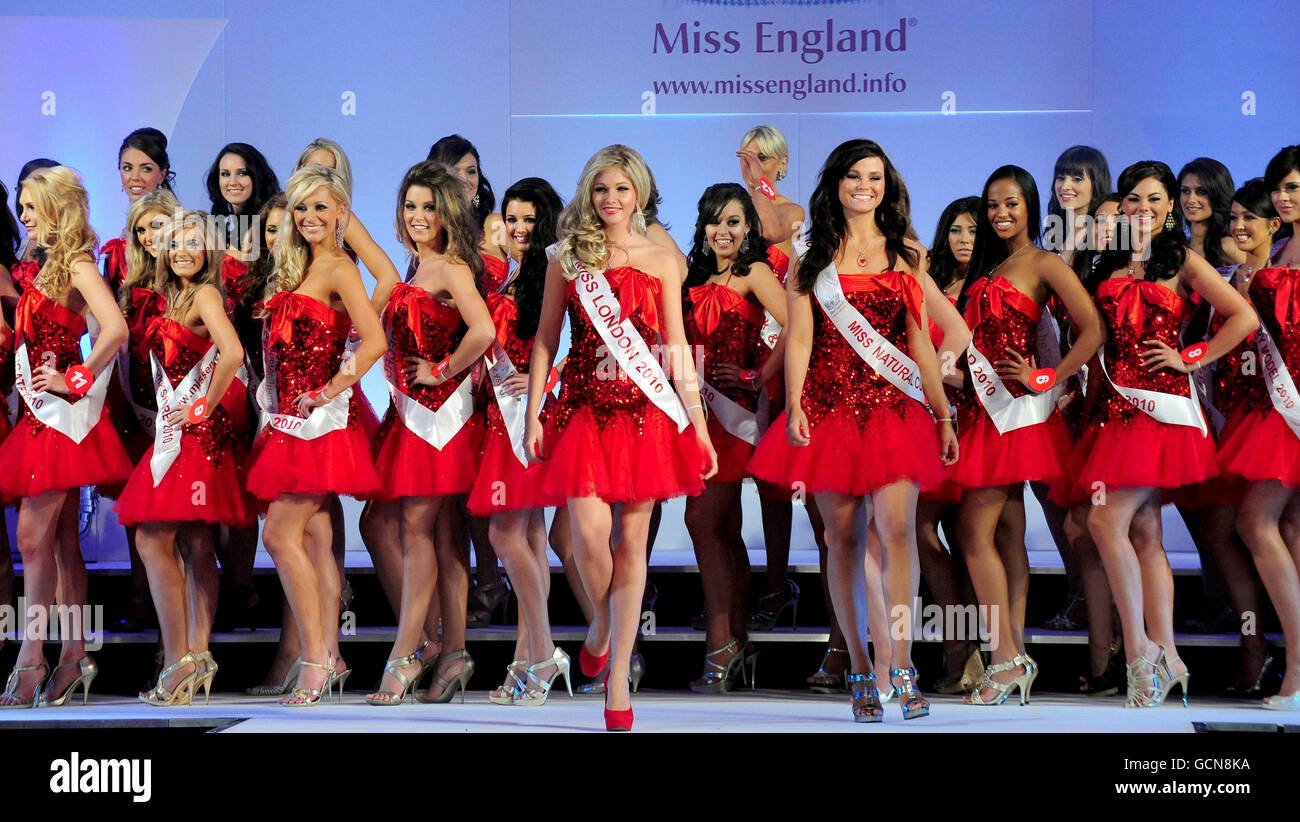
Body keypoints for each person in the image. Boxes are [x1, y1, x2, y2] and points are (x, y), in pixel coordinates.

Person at [748, 139, 958, 722]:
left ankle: (905, 665)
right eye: (852, 175)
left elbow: (920, 342)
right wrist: (792, 402)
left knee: (897, 533)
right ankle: (861, 666)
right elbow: (800, 337)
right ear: (835, 183)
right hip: (829, 409)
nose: (863, 185)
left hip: (895, 410)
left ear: (886, 185)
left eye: (874, 176)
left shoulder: (909, 255)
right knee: (840, 540)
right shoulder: (809, 254)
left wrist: (942, 414)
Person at [525, 144, 716, 731]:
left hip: (646, 416)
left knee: (634, 544)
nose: (610, 200)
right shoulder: (566, 258)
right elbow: (545, 340)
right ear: (589, 194)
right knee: (587, 538)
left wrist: (700, 426)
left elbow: (677, 350)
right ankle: (605, 627)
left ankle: (616, 681)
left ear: (641, 196)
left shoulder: (662, 260)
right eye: (601, 190)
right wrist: (534, 410)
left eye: (622, 191)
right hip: (583, 410)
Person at [1081, 160, 1256, 708]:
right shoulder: (1105, 264)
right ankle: (1172, 655)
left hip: (1160, 412)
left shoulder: (1179, 259)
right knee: (1146, 535)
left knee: (1103, 520)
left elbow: (1242, 318)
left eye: (1156, 200)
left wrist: (1190, 357)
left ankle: (1139, 654)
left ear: (1169, 208)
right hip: (1115, 410)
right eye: (1134, 200)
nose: (1144, 209)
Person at [954, 166, 1103, 705]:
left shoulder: (1042, 262)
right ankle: (1011, 655)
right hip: (980, 412)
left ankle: (1006, 658)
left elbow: (1093, 329)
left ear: (1031, 206)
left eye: (1011, 204)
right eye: (992, 205)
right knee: (1005, 530)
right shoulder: (990, 266)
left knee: (974, 532)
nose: (1000, 214)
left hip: (1015, 416)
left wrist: (1049, 375)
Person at [245, 165, 385, 706]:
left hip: (318, 424)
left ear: (341, 214)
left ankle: (315, 657)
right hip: (286, 421)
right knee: (314, 541)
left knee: (281, 535)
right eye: (302, 208)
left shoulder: (338, 267)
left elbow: (370, 342)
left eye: (321, 208)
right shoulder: (296, 266)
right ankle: (330, 655)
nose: (308, 218)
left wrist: (331, 389)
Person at [0, 167, 131, 708]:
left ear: (56, 208)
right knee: (58, 541)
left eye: (31, 207)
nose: (24, 217)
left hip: (62, 417)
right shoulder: (39, 265)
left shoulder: (77, 262)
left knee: (33, 538)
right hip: (38, 415)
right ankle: (74, 656)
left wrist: (75, 379)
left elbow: (116, 328)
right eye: (23, 207)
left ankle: (32, 658)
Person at [364, 161, 494, 704]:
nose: (419, 216)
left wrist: (441, 371)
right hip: (413, 418)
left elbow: (483, 330)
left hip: (441, 421)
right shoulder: (417, 268)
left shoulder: (449, 268)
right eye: (411, 206)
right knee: (441, 537)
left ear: (449, 213)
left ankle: (406, 655)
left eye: (429, 207)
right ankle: (452, 653)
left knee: (416, 531)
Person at [113, 211, 255, 705]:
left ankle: (178, 660)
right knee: (194, 542)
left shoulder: (205, 294)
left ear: (210, 250)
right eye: (174, 242)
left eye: (194, 242)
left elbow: (232, 353)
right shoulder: (170, 298)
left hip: (196, 437)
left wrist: (204, 404)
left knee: (154, 539)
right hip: (182, 433)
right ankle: (195, 654)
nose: (182, 251)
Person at [466, 177, 574, 705]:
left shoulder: (557, 271)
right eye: (512, 218)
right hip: (499, 419)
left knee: (506, 537)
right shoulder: (508, 278)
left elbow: (584, 343)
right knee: (527, 539)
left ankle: (544, 651)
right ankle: (524, 657)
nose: (520, 228)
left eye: (530, 219)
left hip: (527, 419)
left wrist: (547, 381)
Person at [681, 182, 787, 692]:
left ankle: (720, 643)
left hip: (735, 415)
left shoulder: (755, 273)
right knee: (721, 529)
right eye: (714, 221)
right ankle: (736, 638)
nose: (723, 231)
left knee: (700, 519)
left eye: (733, 222)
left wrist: (757, 375)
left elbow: (797, 326)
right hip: (696, 412)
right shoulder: (690, 273)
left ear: (748, 229)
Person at [1216, 145, 1300, 709]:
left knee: (1255, 519)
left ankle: (1295, 672)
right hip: (1275, 401)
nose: (1285, 198)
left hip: (1289, 404)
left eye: (1294, 188)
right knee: (1289, 531)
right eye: (1281, 189)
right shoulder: (1284, 245)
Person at [205, 143, 280, 253]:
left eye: (242, 173)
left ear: (257, 176)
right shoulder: (218, 226)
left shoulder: (271, 221)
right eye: (225, 174)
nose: (233, 182)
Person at [1178, 157, 1246, 268]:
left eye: (1201, 191)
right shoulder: (1179, 249)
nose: (1191, 199)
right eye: (1185, 191)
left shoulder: (1227, 246)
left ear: (1218, 194)